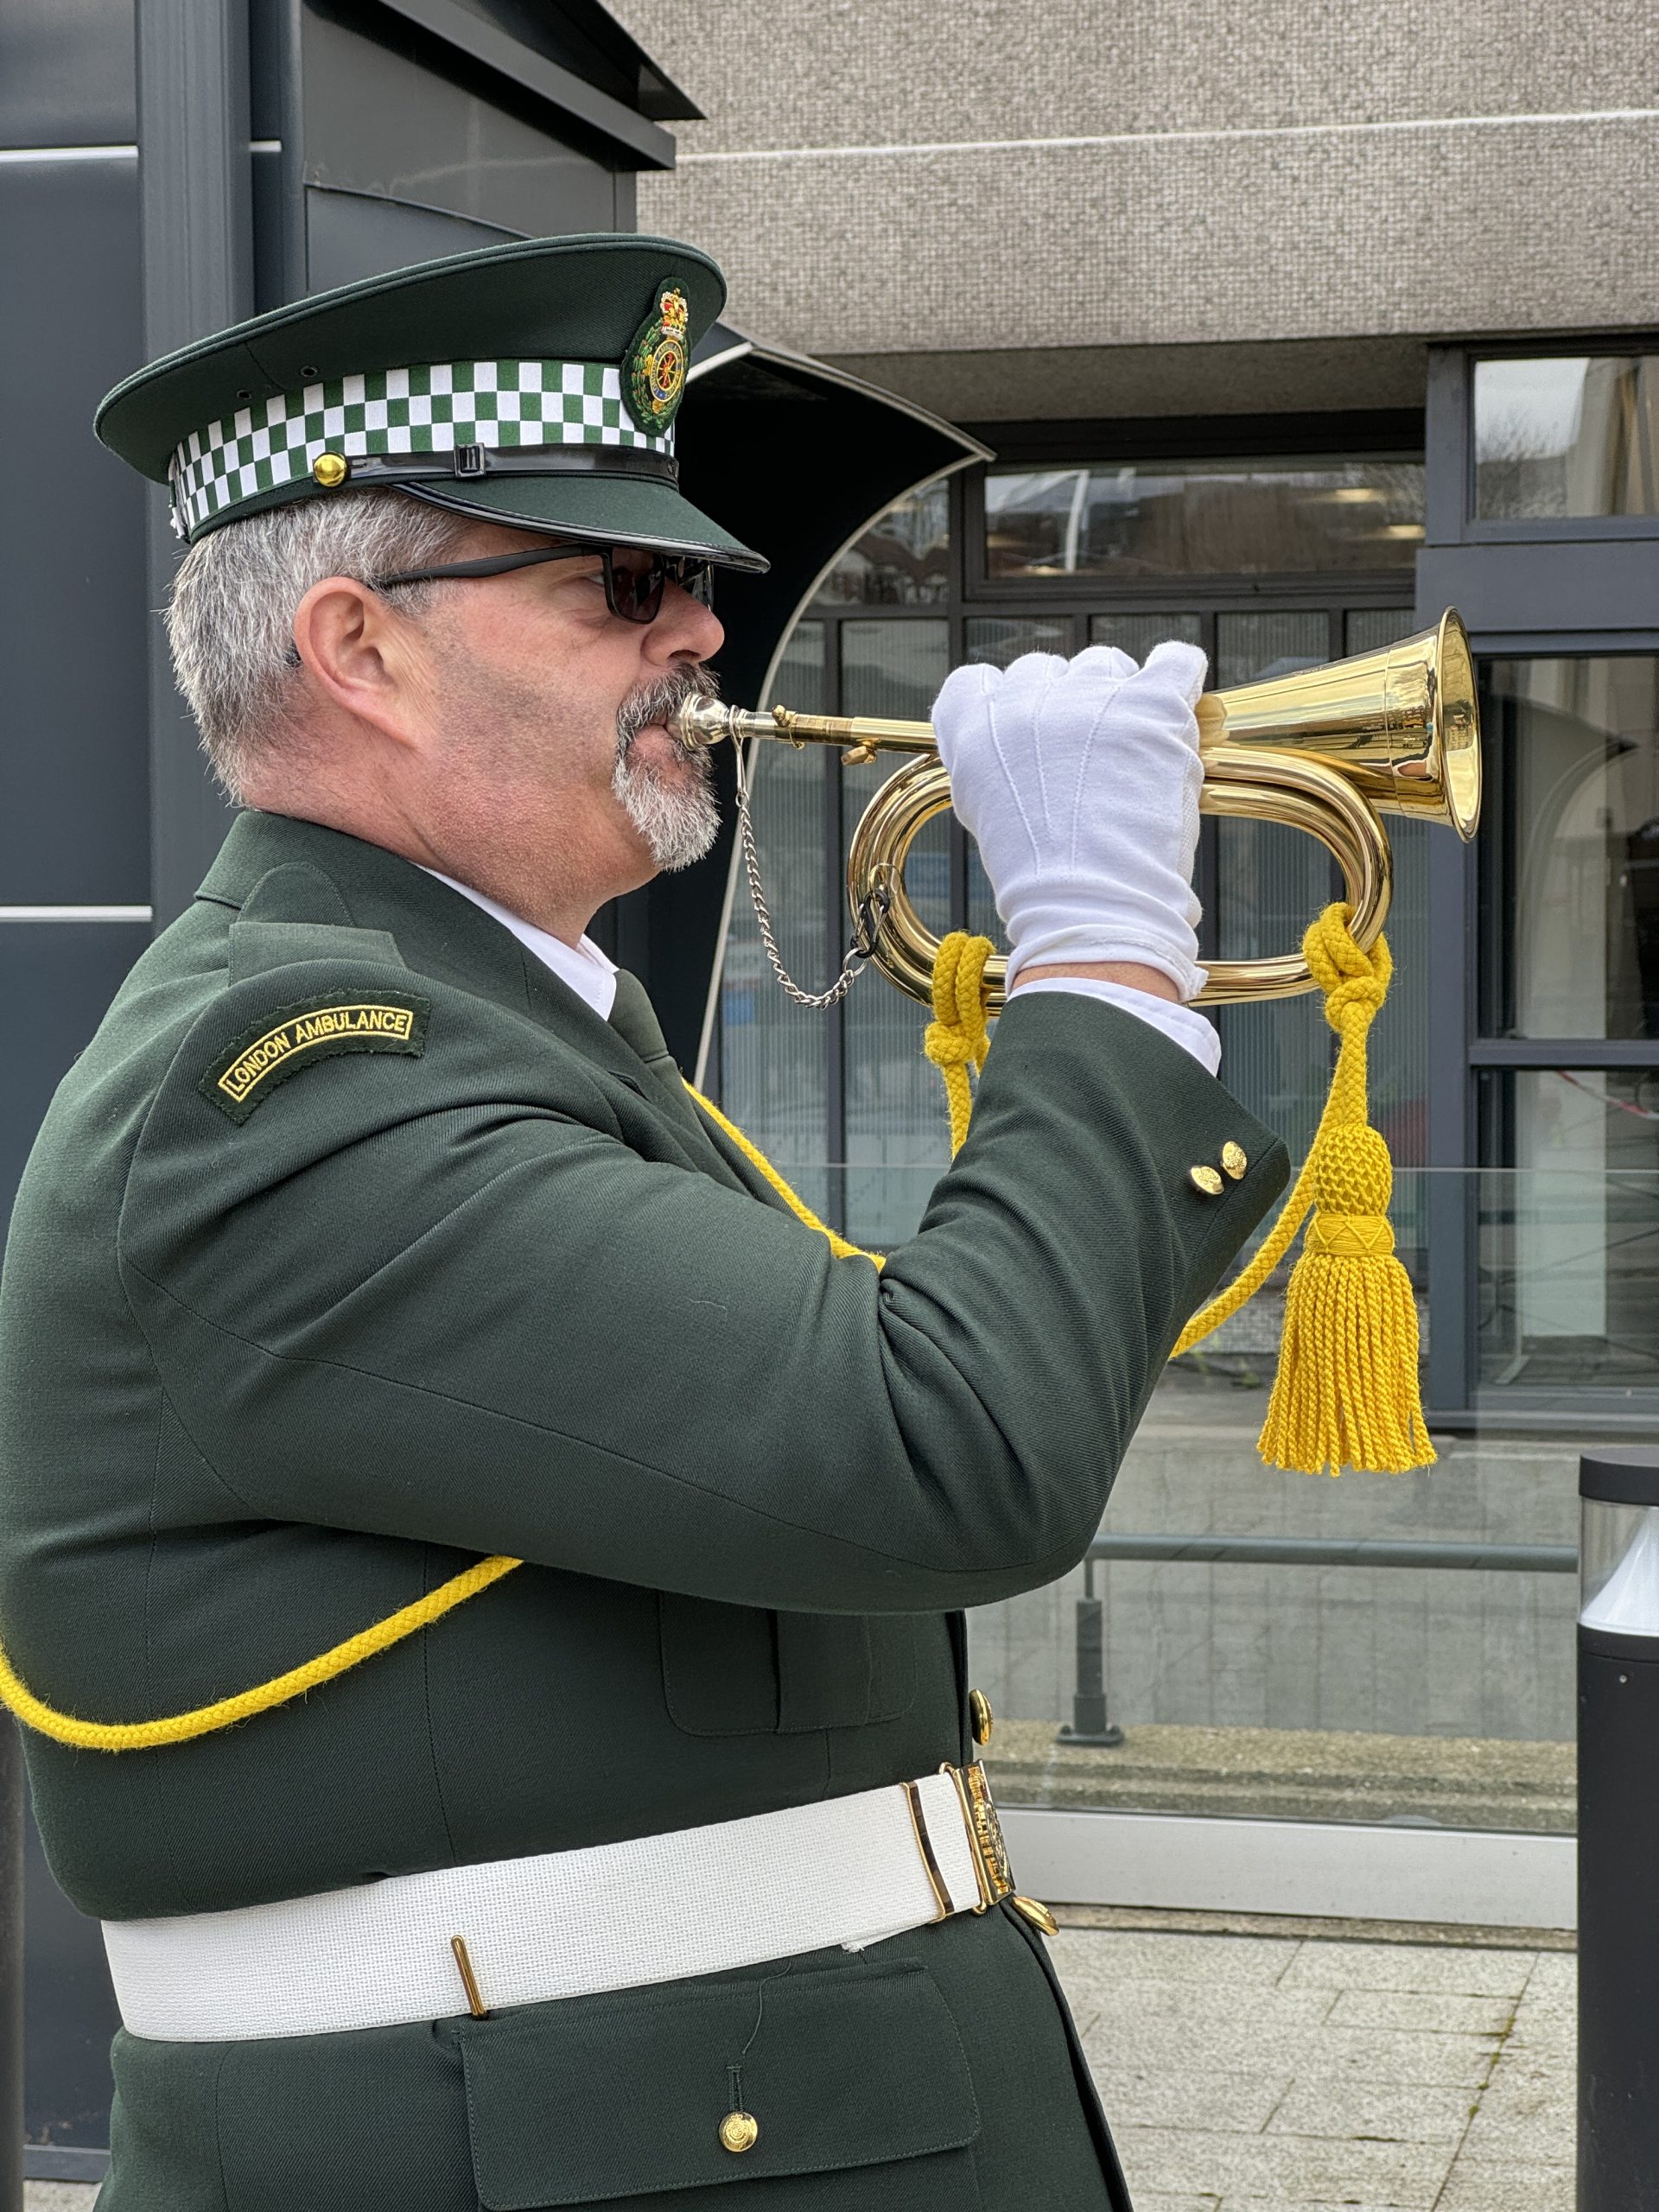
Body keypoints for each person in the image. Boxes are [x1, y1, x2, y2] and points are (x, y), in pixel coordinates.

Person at [0, 232, 1285, 2211]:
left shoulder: (503, 1016)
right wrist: (1101, 963)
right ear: (361, 649)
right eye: (622, 581)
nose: (700, 626)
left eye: (688, 573)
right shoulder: (296, 1079)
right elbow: (940, 1443)